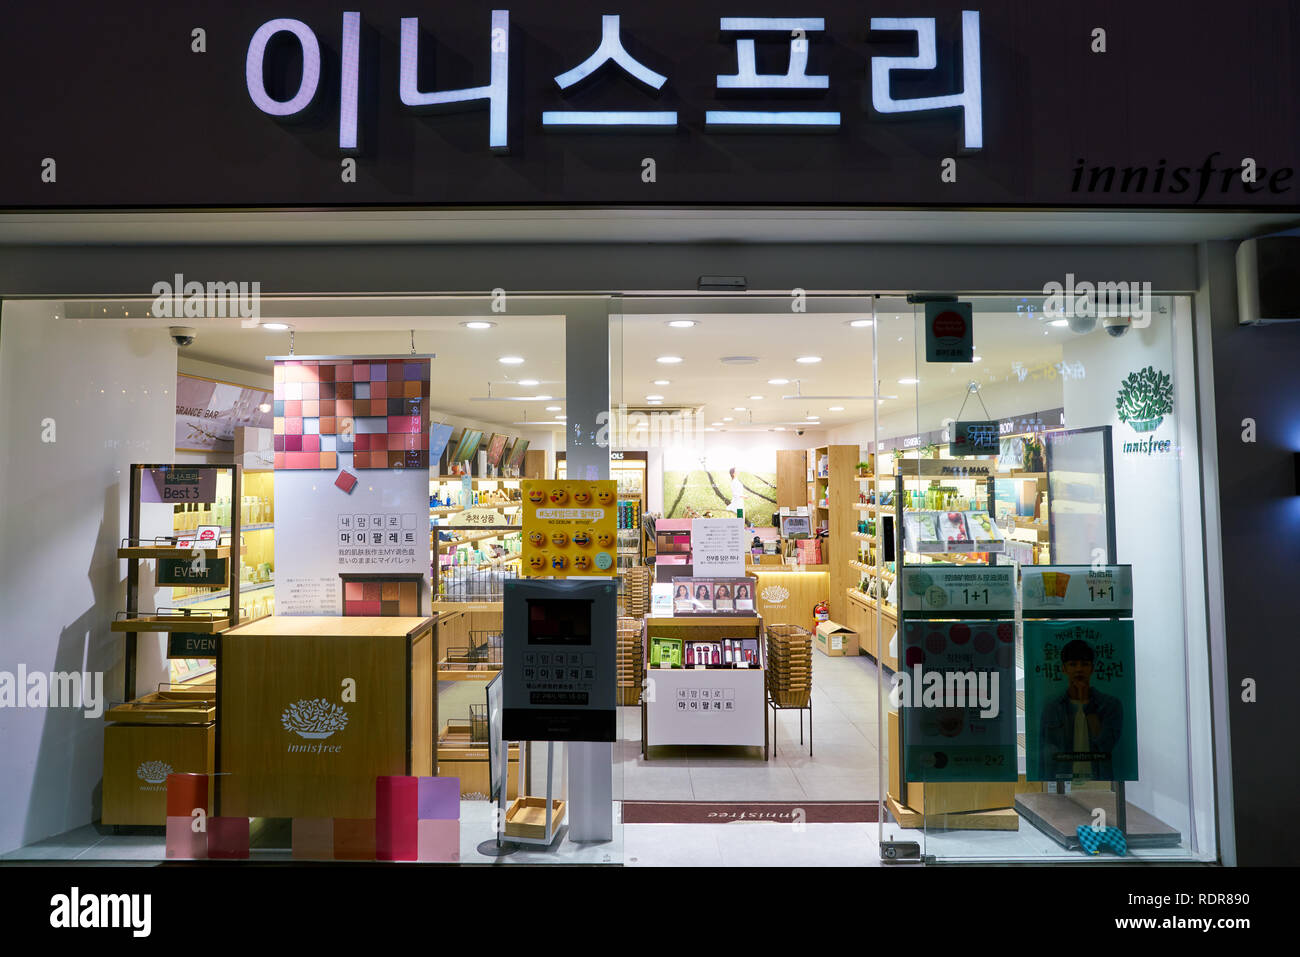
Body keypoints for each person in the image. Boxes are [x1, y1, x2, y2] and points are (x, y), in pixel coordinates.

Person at [1037, 639, 1124, 782]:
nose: (1079, 669)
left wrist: (1087, 704)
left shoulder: (1110, 705)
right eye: (1073, 664)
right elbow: (1045, 752)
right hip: (1063, 780)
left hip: (1099, 781)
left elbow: (1106, 746)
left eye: (1084, 664)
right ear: (1064, 669)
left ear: (1092, 668)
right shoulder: (1052, 708)